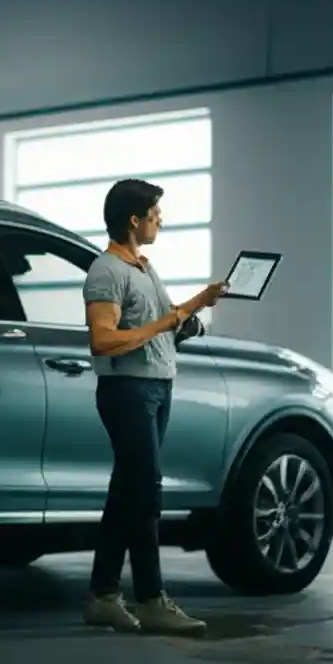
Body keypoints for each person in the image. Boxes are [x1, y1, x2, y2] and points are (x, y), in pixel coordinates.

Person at [80, 178, 229, 635]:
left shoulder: (144, 267)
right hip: (128, 391)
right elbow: (103, 340)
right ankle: (151, 600)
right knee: (146, 494)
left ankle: (104, 596)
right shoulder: (106, 271)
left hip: (157, 389)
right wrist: (170, 318)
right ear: (134, 219)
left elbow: (160, 324)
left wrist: (197, 309)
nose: (160, 219)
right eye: (155, 213)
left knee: (127, 492)